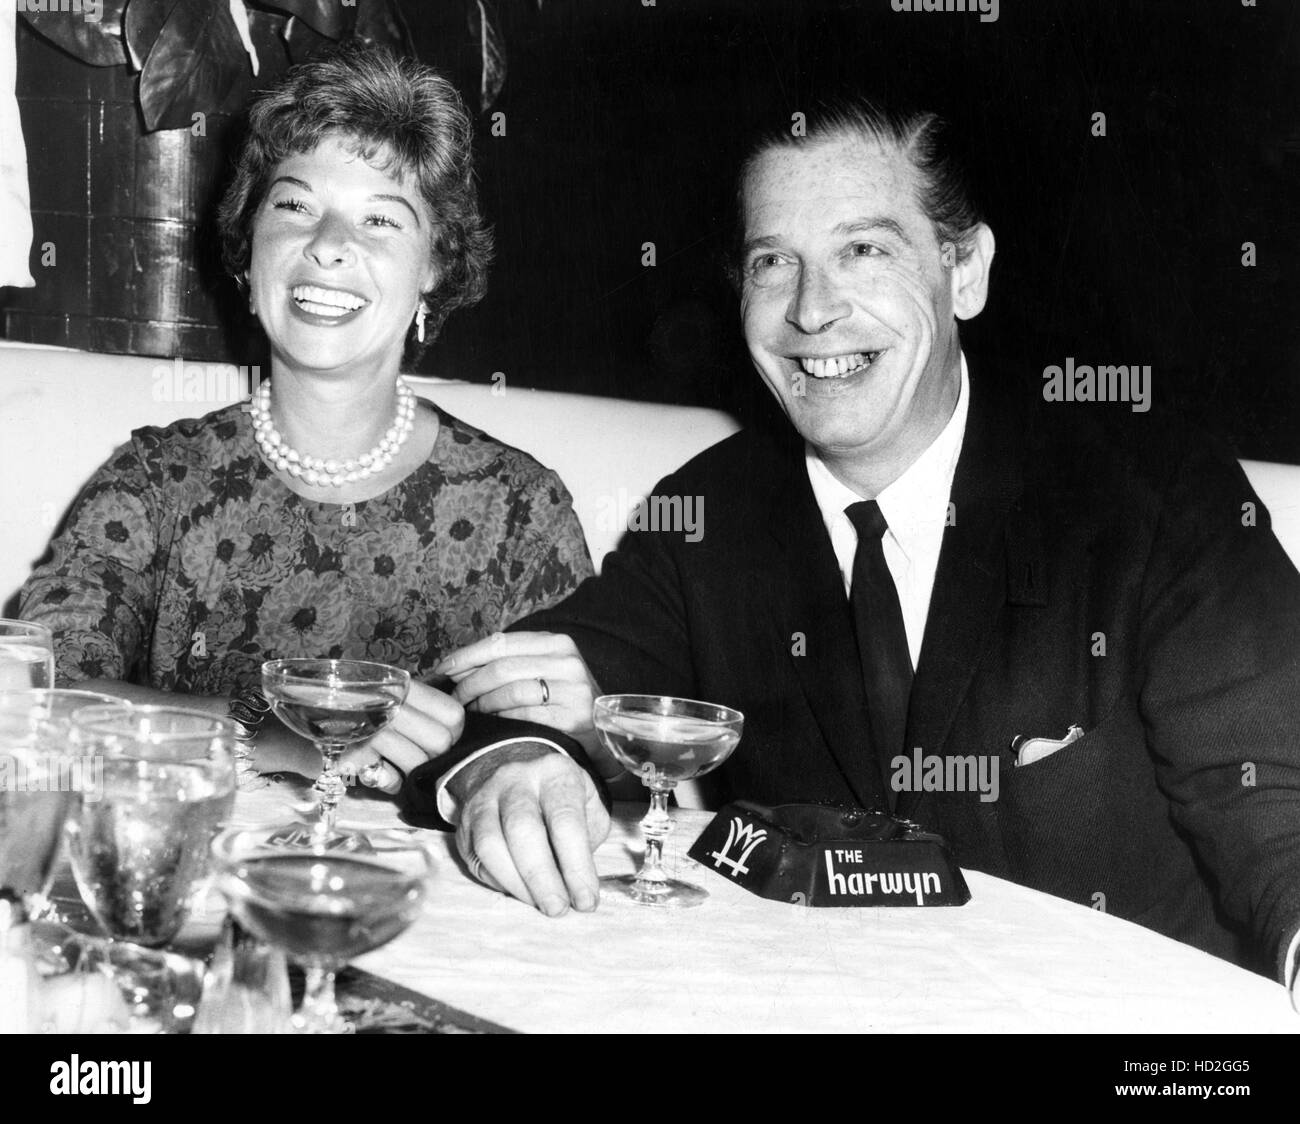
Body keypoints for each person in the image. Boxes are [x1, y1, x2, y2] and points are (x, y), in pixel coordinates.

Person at [409, 98, 1300, 986]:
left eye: (863, 250)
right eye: (772, 262)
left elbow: (1276, 799)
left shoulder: (1153, 496)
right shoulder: (710, 514)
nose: (811, 311)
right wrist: (518, 762)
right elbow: (531, 689)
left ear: (966, 273)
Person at [16, 45, 592, 792]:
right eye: (294, 206)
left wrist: (586, 736)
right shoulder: (159, 480)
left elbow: (591, 764)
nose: (328, 247)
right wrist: (274, 734)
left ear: (435, 269)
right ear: (249, 253)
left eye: (381, 220)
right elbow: (35, 697)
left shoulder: (518, 508)